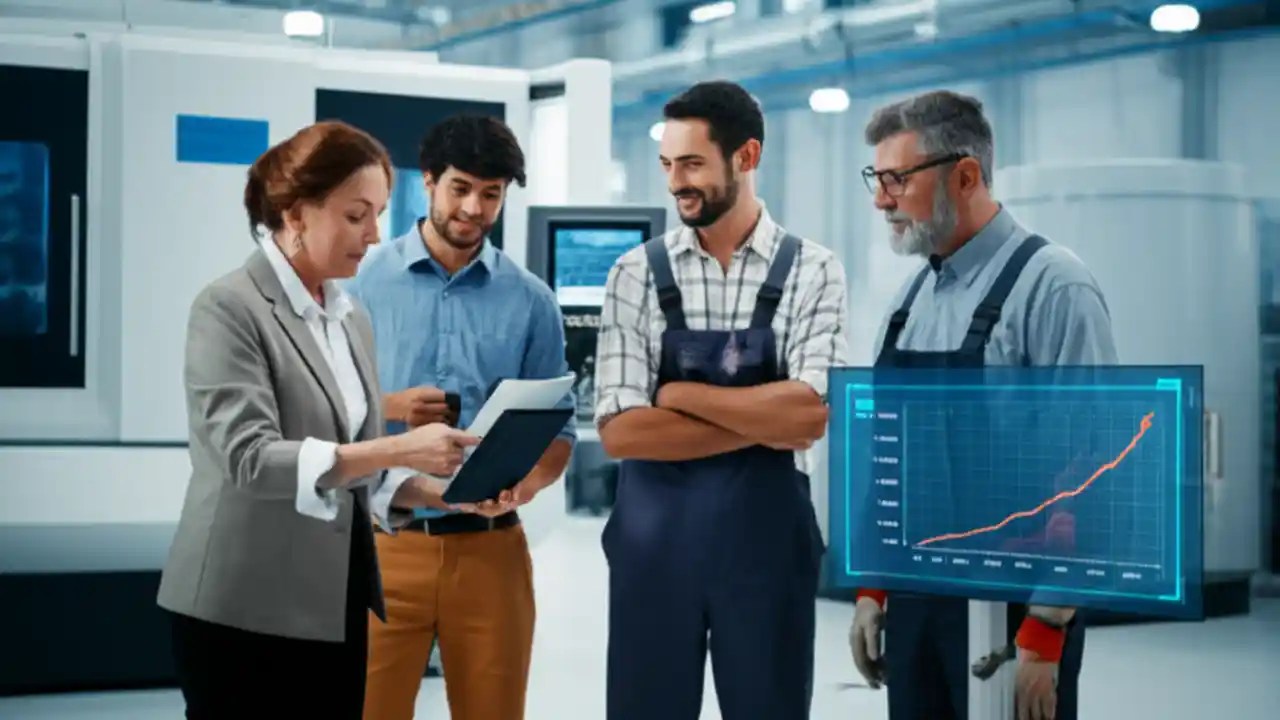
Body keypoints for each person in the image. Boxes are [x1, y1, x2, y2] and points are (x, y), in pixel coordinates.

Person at [156, 120, 480, 720]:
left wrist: (448, 494)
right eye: (356, 215)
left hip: (332, 603)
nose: (374, 234)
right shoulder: (229, 307)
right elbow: (250, 459)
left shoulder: (349, 315)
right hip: (242, 606)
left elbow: (357, 463)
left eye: (379, 214)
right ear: (295, 212)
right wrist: (401, 449)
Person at [848, 89, 1118, 720]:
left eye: (896, 180)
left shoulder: (1054, 288)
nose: (880, 199)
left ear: (965, 175)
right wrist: (873, 588)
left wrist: (1047, 629)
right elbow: (891, 460)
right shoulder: (910, 301)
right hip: (916, 602)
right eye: (876, 179)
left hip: (1014, 605)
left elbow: (1099, 469)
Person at [594, 80, 849, 720]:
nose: (676, 182)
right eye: (667, 166)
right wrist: (766, 420)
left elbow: (811, 416)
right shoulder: (634, 274)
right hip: (653, 556)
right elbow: (622, 433)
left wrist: (679, 395)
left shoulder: (815, 271)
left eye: (692, 164)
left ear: (746, 157)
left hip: (767, 556)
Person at [349, 114, 576, 720]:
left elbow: (559, 434)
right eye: (461, 188)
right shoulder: (362, 283)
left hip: (491, 553)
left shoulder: (531, 301)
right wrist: (391, 407)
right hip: (382, 544)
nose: (475, 207)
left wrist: (522, 486)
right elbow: (324, 410)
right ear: (428, 182)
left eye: (492, 193)